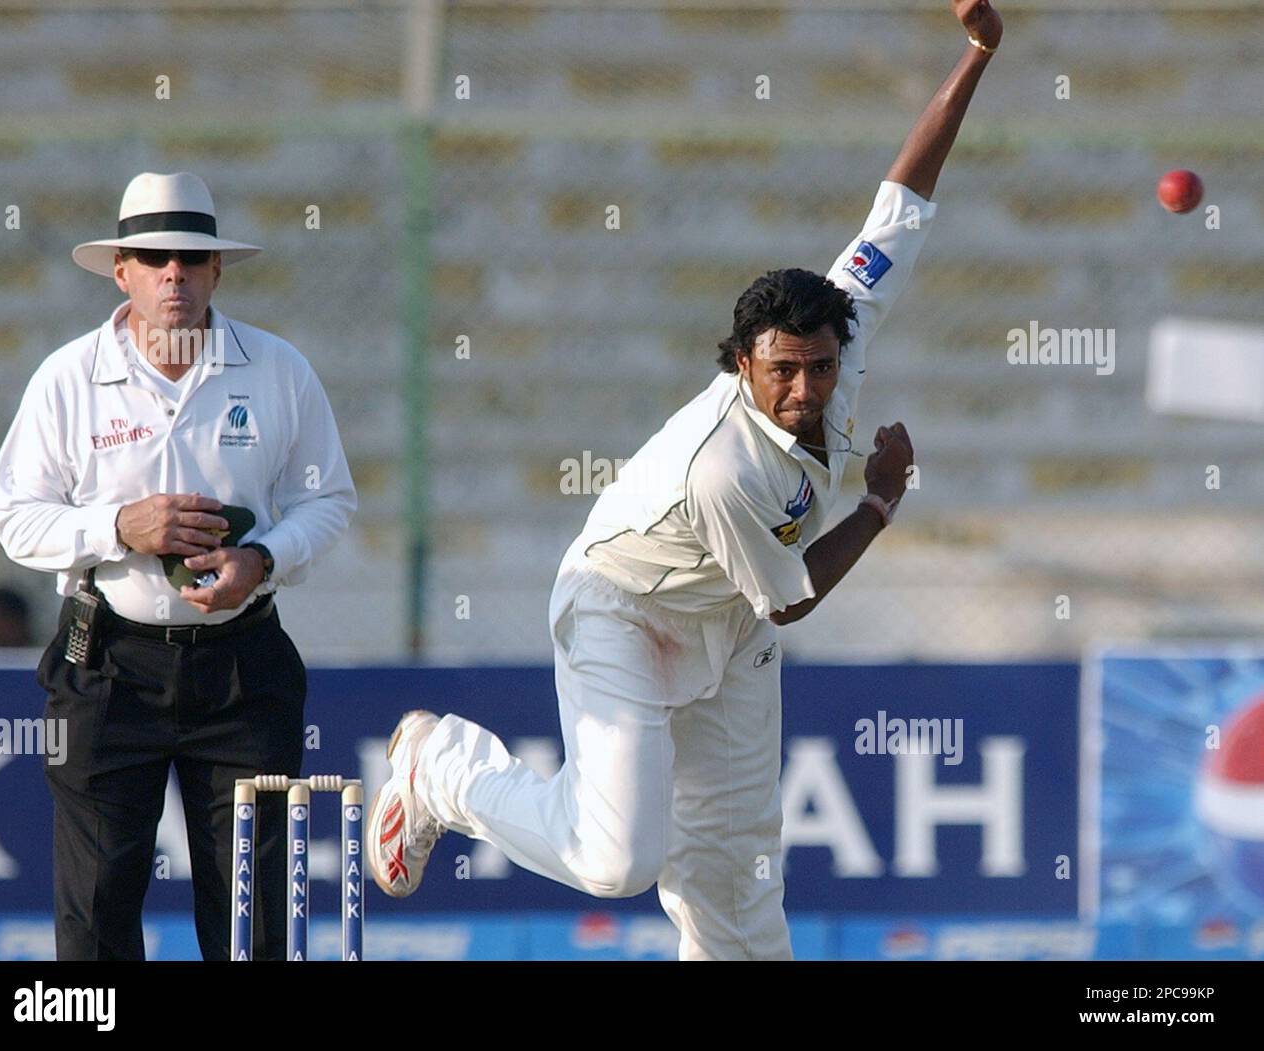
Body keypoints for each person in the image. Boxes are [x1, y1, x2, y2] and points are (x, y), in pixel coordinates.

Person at [366, 1, 1003, 959]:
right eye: (780, 370)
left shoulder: (844, 322)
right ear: (741, 362)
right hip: (626, 609)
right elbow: (790, 603)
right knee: (617, 856)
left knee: (737, 870)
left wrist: (978, 55)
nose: (802, 390)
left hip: (728, 615)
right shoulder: (724, 468)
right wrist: (877, 502)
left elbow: (903, 197)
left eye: (819, 368)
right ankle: (443, 768)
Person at [0, 171, 357, 961]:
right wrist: (121, 525)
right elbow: (14, 515)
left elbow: (330, 502)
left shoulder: (277, 368)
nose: (173, 275)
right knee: (95, 907)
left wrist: (261, 558)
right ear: (121, 270)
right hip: (108, 662)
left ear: (219, 269)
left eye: (192, 259)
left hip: (242, 665)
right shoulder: (68, 377)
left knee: (250, 914)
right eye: (154, 258)